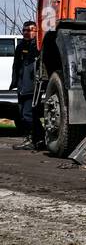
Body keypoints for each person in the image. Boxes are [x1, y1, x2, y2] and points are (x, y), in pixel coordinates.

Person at [10, 20, 38, 149]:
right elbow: (16, 65)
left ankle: (31, 140)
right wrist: (14, 82)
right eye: (24, 30)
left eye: (29, 30)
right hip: (21, 85)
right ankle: (38, 139)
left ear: (36, 31)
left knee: (28, 114)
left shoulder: (37, 46)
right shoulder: (20, 46)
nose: (26, 33)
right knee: (23, 113)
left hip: (32, 86)